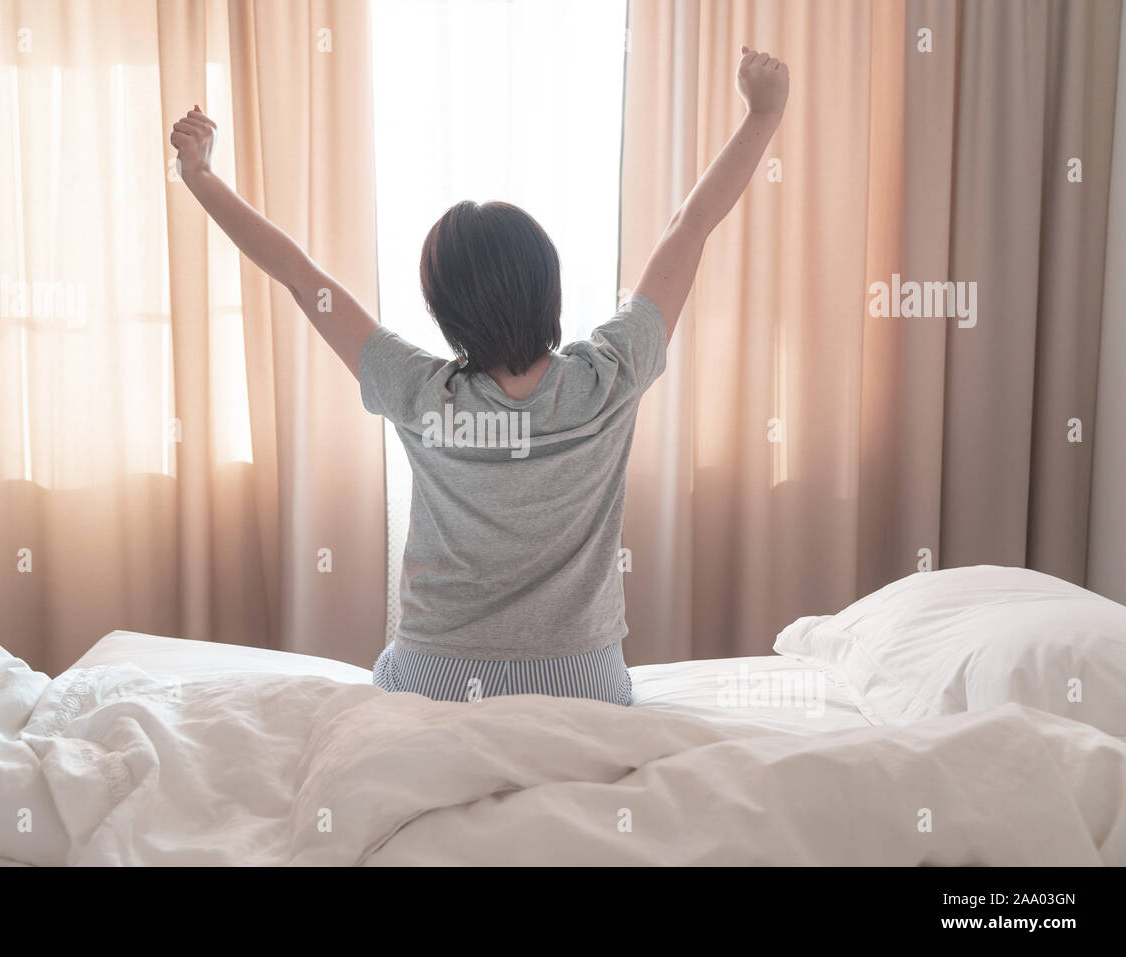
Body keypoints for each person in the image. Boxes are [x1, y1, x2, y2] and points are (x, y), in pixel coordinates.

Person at [170, 45, 789, 706]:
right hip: (583, 680)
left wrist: (201, 176)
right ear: (549, 287)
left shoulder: (417, 391)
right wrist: (763, 114)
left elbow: (300, 277)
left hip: (438, 676)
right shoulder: (610, 374)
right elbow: (689, 227)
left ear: (442, 310)